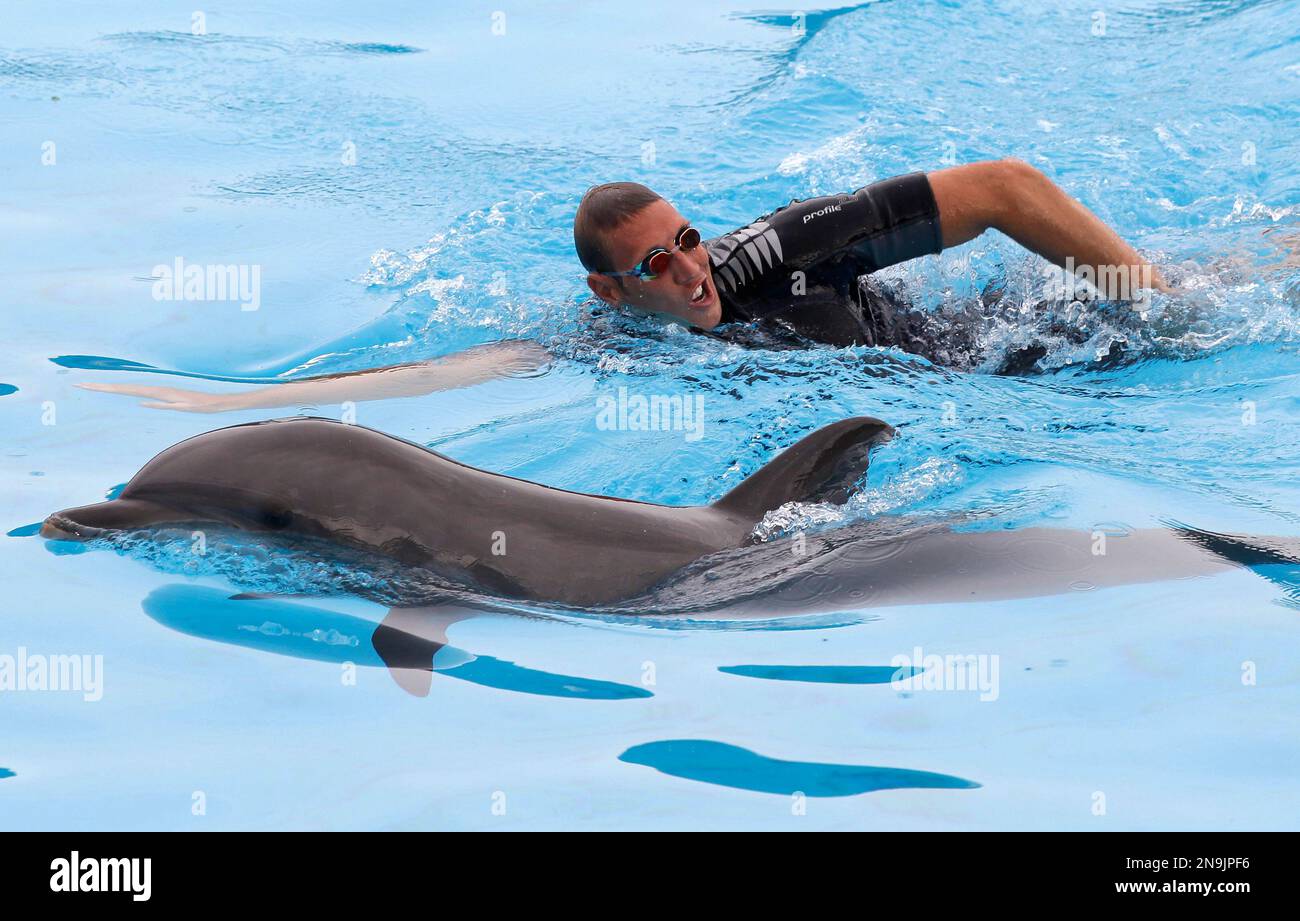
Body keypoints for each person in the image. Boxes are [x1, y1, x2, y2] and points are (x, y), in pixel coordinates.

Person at [575, 160, 1169, 362]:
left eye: (687, 239)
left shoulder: (785, 250)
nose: (688, 269)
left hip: (1011, 356)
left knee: (1182, 314)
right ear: (610, 291)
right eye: (655, 262)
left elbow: (1005, 187)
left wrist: (1149, 293)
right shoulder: (619, 339)